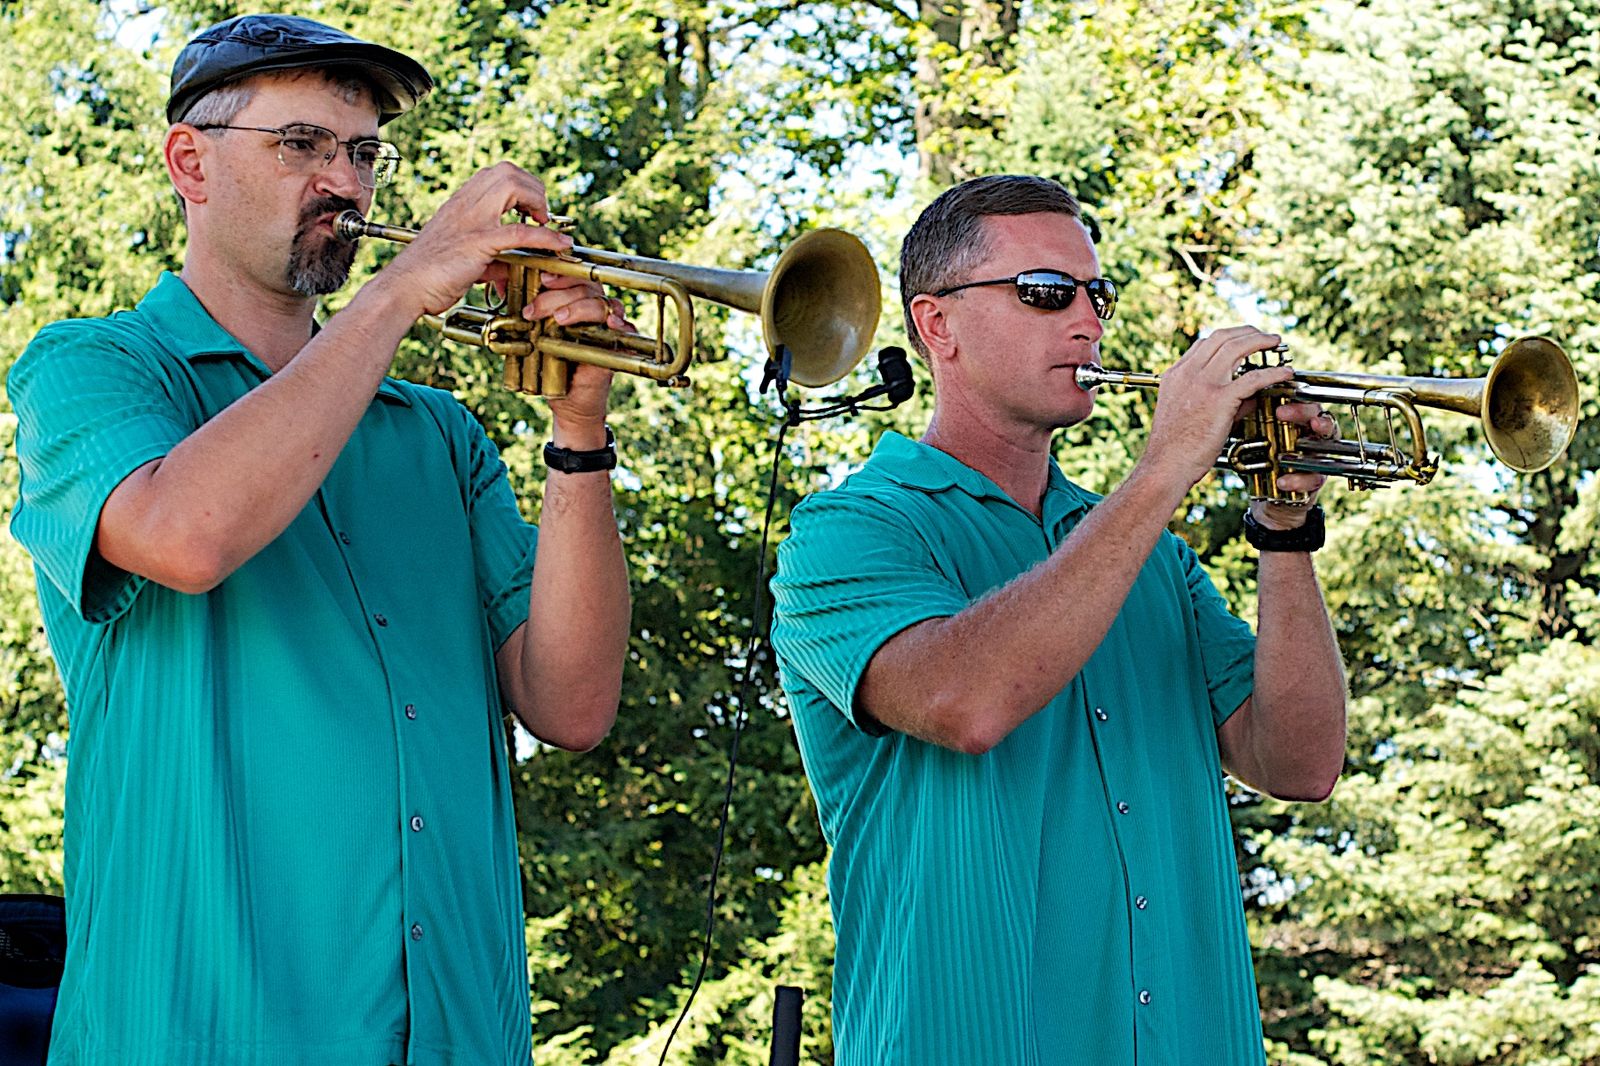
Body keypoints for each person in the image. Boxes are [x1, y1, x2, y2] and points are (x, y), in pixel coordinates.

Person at [8, 15, 632, 1065]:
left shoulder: (438, 436)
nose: (344, 183)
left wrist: (579, 432)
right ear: (189, 162)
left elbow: (572, 704)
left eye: (363, 154)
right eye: (301, 145)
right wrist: (400, 291)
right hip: (199, 1036)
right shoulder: (89, 369)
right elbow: (184, 535)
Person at [769, 175, 1348, 1065]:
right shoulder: (848, 531)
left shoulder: (1149, 559)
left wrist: (1284, 527)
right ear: (937, 325)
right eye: (1046, 293)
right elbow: (968, 703)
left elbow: (1301, 762)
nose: (1086, 320)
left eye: (1096, 293)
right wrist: (1163, 468)